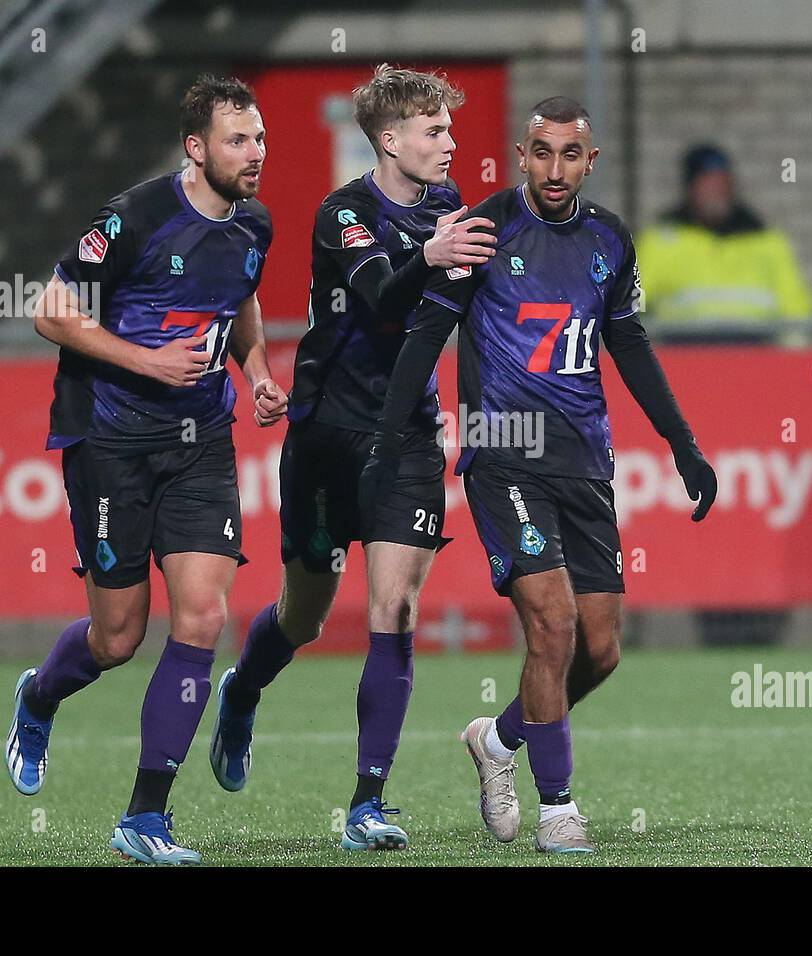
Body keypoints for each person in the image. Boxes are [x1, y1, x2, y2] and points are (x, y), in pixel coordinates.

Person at [359, 97, 717, 854]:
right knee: (552, 625)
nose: (556, 169)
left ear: (592, 161)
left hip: (584, 460)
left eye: (571, 155)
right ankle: (559, 806)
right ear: (523, 155)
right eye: (543, 152)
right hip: (501, 455)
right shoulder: (483, 231)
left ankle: (498, 740)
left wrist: (681, 441)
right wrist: (388, 441)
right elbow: (426, 335)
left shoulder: (610, 239)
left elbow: (629, 342)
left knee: (600, 649)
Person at [207, 64, 496, 852]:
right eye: (435, 131)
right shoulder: (344, 213)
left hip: (406, 437)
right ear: (390, 139)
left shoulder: (451, 212)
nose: (450, 142)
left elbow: (474, 314)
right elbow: (382, 297)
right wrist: (433, 255)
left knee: (394, 609)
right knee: (303, 615)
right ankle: (243, 690)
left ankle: (369, 801)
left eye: (450, 129)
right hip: (328, 437)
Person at [5, 75, 287, 865]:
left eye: (260, 137)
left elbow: (241, 301)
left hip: (202, 443)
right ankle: (39, 695)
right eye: (239, 139)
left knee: (201, 618)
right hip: (111, 445)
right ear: (196, 149)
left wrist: (257, 372)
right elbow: (50, 311)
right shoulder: (134, 217)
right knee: (118, 636)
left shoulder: (254, 224)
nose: (256, 152)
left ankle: (146, 817)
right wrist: (146, 361)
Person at [635, 143, 812, 342]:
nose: (716, 192)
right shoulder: (661, 241)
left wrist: (791, 362)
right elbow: (633, 304)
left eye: (722, 183)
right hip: (683, 359)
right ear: (690, 188)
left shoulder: (767, 241)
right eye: (708, 184)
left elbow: (797, 312)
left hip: (759, 358)